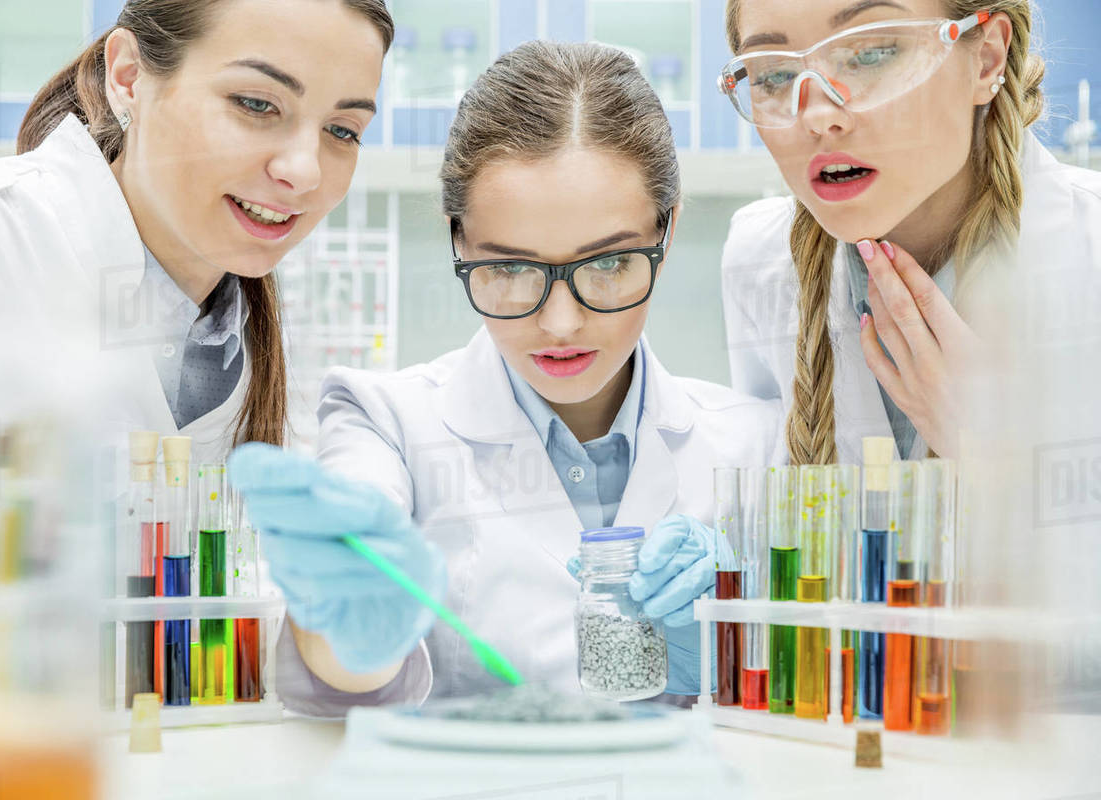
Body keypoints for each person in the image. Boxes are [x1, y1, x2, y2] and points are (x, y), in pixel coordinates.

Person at [229, 41, 782, 717]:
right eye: (510, 269)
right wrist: (353, 622)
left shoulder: (756, 448)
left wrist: (737, 635)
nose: (559, 322)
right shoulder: (385, 421)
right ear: (458, 243)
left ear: (664, 237)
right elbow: (337, 668)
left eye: (608, 265)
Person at [0, 0, 393, 464]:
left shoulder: (239, 346)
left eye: (343, 130)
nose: (304, 171)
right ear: (129, 77)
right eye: (256, 104)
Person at [717, 0, 1101, 464]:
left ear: (986, 59)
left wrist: (993, 452)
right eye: (773, 75)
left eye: (873, 52)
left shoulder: (1089, 245)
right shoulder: (756, 259)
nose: (817, 115)